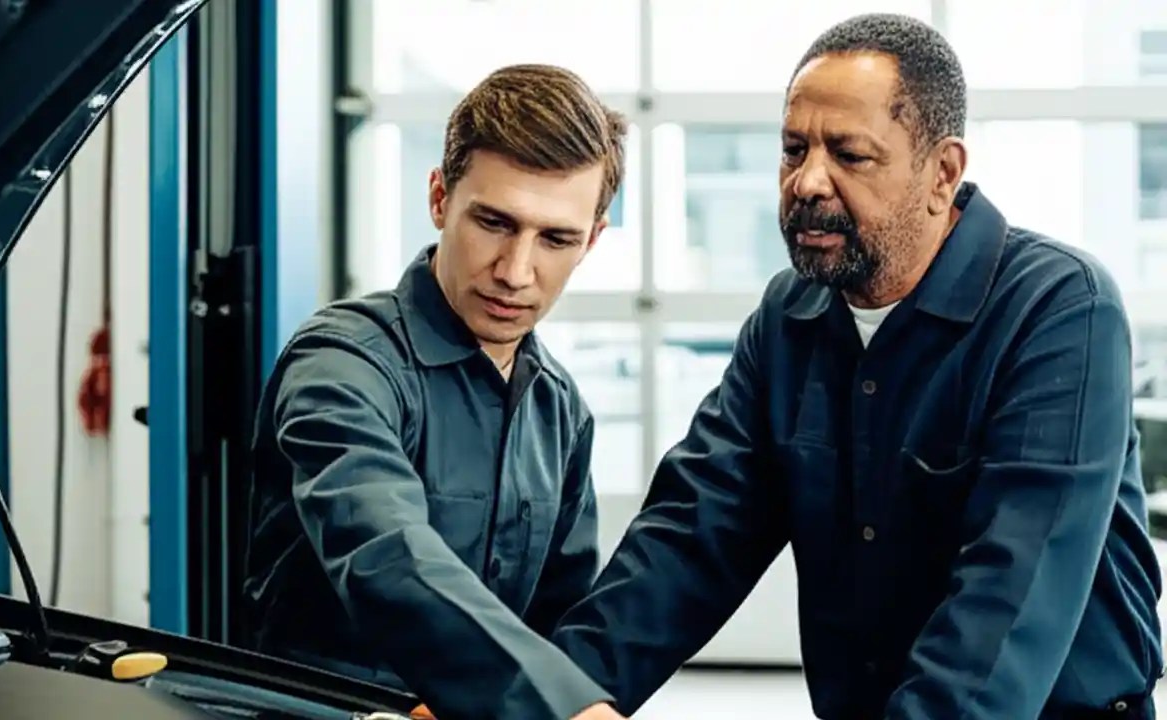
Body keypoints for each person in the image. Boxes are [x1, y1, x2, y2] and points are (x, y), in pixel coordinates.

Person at [523, 13, 1165, 720]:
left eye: (849, 155)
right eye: (794, 149)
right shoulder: (789, 319)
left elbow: (1008, 605)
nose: (807, 182)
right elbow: (690, 538)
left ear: (942, 173)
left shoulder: (1059, 309)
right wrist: (547, 699)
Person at [241, 64, 627, 720]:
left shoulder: (558, 410)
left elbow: (558, 621)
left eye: (555, 238)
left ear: (591, 240)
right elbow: (384, 550)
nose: (515, 271)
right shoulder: (342, 362)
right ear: (440, 199)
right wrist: (555, 706)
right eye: (495, 223)